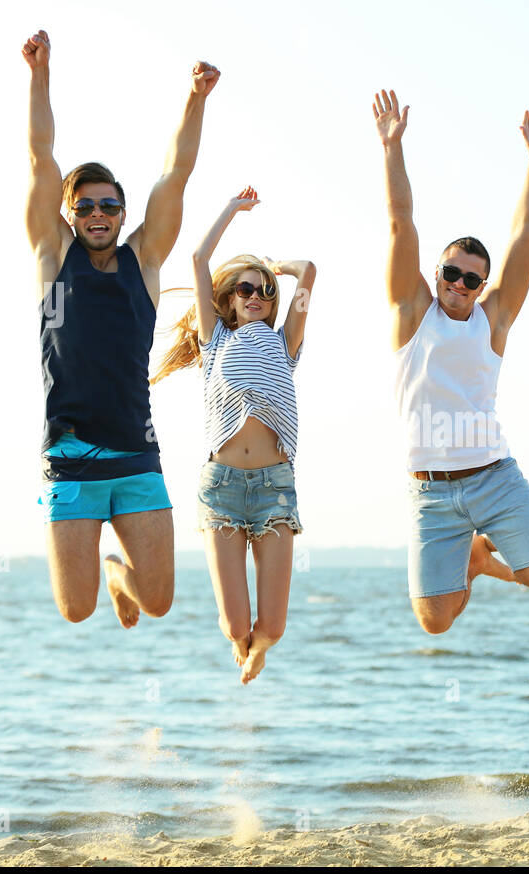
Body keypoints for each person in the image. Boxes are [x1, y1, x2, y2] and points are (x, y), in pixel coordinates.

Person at [23, 29, 219, 626]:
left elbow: (176, 171)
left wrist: (196, 97)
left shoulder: (146, 261)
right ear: (69, 214)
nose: (98, 214)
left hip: (137, 454)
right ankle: (106, 572)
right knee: (76, 611)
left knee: (158, 603)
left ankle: (122, 575)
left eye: (109, 205)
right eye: (84, 205)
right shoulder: (55, 258)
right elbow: (40, 154)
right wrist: (40, 72)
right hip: (72, 455)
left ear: (124, 212)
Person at [373, 89, 529, 633]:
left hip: (493, 475)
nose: (459, 284)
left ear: (482, 288)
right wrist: (392, 147)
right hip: (429, 488)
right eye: (450, 273)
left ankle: (480, 557)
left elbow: (525, 234)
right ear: (437, 275)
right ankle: (472, 562)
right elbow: (399, 220)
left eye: (471, 279)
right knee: (435, 622)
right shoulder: (413, 313)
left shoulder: (493, 321)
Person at [153, 188, 316, 684]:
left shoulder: (287, 341)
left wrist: (274, 266)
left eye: (265, 292)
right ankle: (244, 646)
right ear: (228, 299)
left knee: (272, 629)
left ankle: (260, 651)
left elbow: (308, 271)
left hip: (274, 488)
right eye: (245, 290)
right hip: (222, 486)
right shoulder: (215, 338)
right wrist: (231, 210)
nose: (256, 298)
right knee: (233, 626)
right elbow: (200, 258)